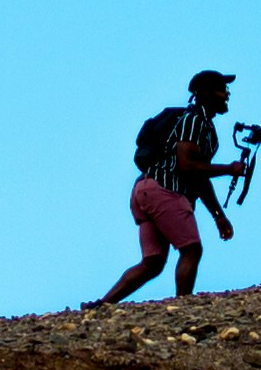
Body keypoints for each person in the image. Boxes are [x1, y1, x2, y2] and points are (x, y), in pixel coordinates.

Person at [86, 69, 240, 307]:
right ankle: (183, 307)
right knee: (191, 249)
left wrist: (218, 215)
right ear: (206, 93)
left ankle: (101, 305)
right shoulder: (194, 121)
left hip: (145, 191)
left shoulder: (201, 126)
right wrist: (229, 169)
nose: (227, 93)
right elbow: (188, 166)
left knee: (153, 262)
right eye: (222, 88)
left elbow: (199, 177)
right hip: (165, 189)